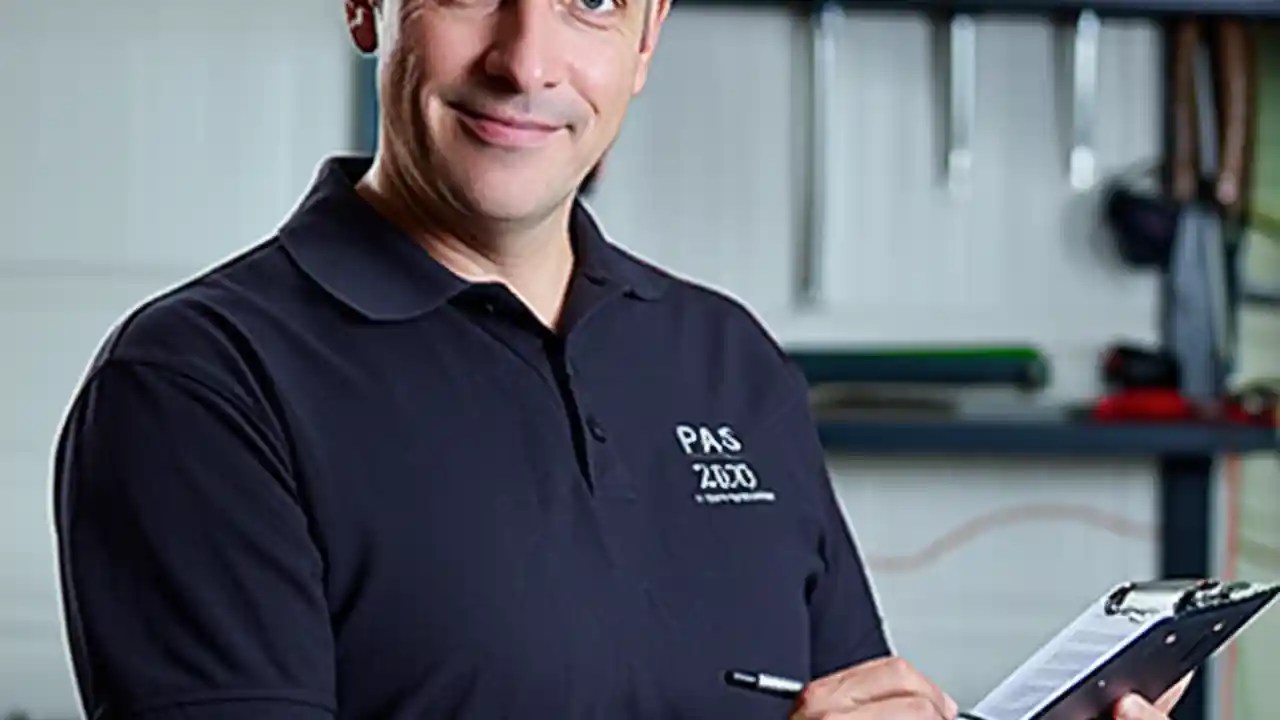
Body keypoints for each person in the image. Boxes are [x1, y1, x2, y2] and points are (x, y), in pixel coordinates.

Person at [51, 0, 1190, 718]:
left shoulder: (727, 359)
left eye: (588, 2)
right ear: (368, 7)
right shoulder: (201, 384)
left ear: (647, 36)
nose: (525, 58)